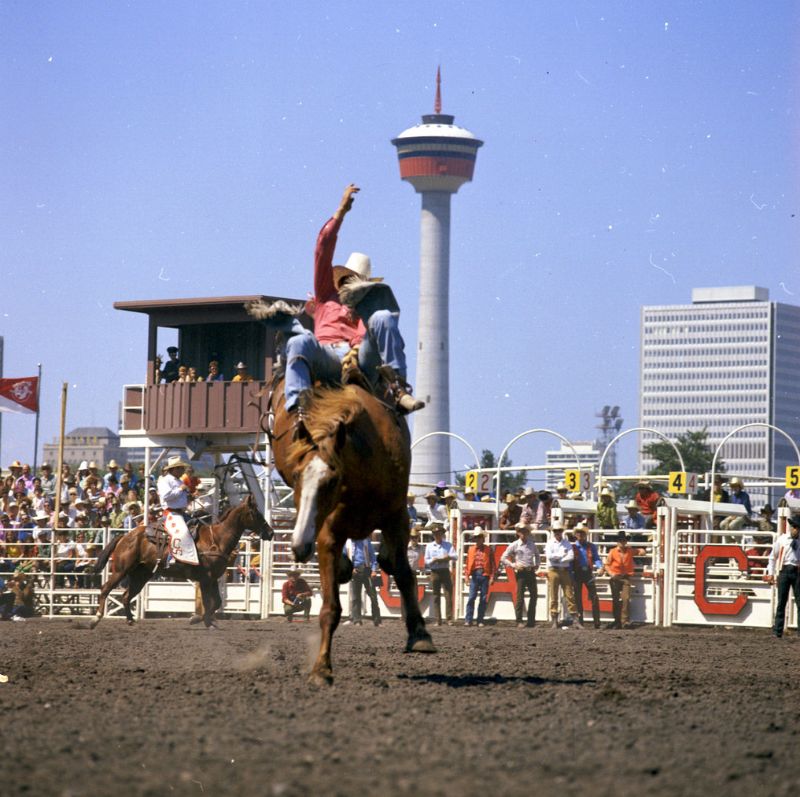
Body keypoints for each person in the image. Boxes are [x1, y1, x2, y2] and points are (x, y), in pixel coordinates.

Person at [249, 184, 423, 431]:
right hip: (327, 354)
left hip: (360, 359)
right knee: (298, 342)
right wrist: (340, 212)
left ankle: (397, 387)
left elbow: (373, 334)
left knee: (383, 316)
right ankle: (299, 408)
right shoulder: (325, 292)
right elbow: (322, 248)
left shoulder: (368, 306)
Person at [156, 456, 199, 566]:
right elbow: (166, 496)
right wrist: (181, 489)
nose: (182, 470)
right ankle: (172, 556)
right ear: (173, 469)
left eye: (181, 468)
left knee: (198, 527)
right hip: (171, 512)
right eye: (179, 468)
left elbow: (179, 497)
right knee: (182, 531)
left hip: (181, 512)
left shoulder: (179, 481)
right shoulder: (164, 480)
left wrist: (189, 497)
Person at [501, 521, 541, 628]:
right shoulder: (514, 545)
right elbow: (503, 558)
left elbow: (537, 555)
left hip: (530, 571)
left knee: (534, 596)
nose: (523, 533)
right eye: (521, 531)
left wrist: (537, 564)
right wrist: (514, 565)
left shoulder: (532, 544)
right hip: (521, 572)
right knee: (520, 596)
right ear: (518, 533)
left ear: (527, 532)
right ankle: (519, 620)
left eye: (525, 531)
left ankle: (530, 620)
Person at [766, 515, 800, 638]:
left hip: (797, 571)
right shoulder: (782, 540)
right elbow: (772, 557)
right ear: (791, 527)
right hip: (784, 570)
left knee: (799, 602)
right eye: (795, 527)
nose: (796, 530)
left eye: (798, 528)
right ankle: (777, 631)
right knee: (781, 602)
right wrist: (771, 573)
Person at [544, 522, 581, 629]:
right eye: (555, 531)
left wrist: (558, 558)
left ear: (562, 532)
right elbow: (550, 557)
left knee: (569, 594)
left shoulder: (566, 543)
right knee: (554, 595)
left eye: (559, 531)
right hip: (554, 570)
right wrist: (562, 557)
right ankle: (555, 620)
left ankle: (573, 619)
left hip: (563, 570)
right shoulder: (551, 543)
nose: (557, 533)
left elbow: (571, 556)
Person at [424, 521, 457, 625]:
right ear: (433, 535)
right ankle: (438, 619)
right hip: (435, 571)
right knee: (436, 595)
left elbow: (455, 556)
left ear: (442, 534)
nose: (437, 535)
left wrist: (445, 558)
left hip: (444, 571)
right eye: (435, 534)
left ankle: (449, 618)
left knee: (448, 594)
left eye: (439, 533)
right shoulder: (429, 546)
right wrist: (433, 560)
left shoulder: (448, 545)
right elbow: (426, 560)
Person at [572, 522, 604, 629]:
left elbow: (596, 558)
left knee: (594, 597)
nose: (580, 535)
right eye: (578, 533)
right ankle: (580, 621)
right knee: (578, 598)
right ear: (576, 534)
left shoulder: (591, 546)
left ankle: (597, 622)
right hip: (576, 573)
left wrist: (600, 567)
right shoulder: (572, 547)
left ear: (585, 534)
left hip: (588, 573)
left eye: (582, 533)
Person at [344, 537, 381, 626]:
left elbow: (373, 557)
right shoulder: (347, 542)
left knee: (373, 595)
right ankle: (357, 620)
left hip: (367, 569)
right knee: (356, 597)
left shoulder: (366, 541)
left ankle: (377, 620)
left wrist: (373, 570)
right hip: (354, 571)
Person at [463, 528, 496, 627]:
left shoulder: (488, 550)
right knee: (471, 597)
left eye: (479, 537)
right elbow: (468, 564)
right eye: (476, 538)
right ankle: (469, 619)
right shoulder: (471, 550)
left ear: (482, 538)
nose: (477, 539)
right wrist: (467, 576)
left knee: (483, 598)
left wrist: (492, 577)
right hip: (475, 575)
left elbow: (493, 565)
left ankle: (479, 620)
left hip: (484, 575)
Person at [605, 531, 635, 629]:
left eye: (623, 540)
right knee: (616, 599)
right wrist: (611, 574)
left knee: (625, 598)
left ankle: (624, 621)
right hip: (616, 577)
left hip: (625, 577)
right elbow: (607, 565)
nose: (622, 542)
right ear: (618, 542)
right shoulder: (613, 552)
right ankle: (618, 620)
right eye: (620, 540)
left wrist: (642, 551)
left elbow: (640, 551)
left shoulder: (629, 551)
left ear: (626, 541)